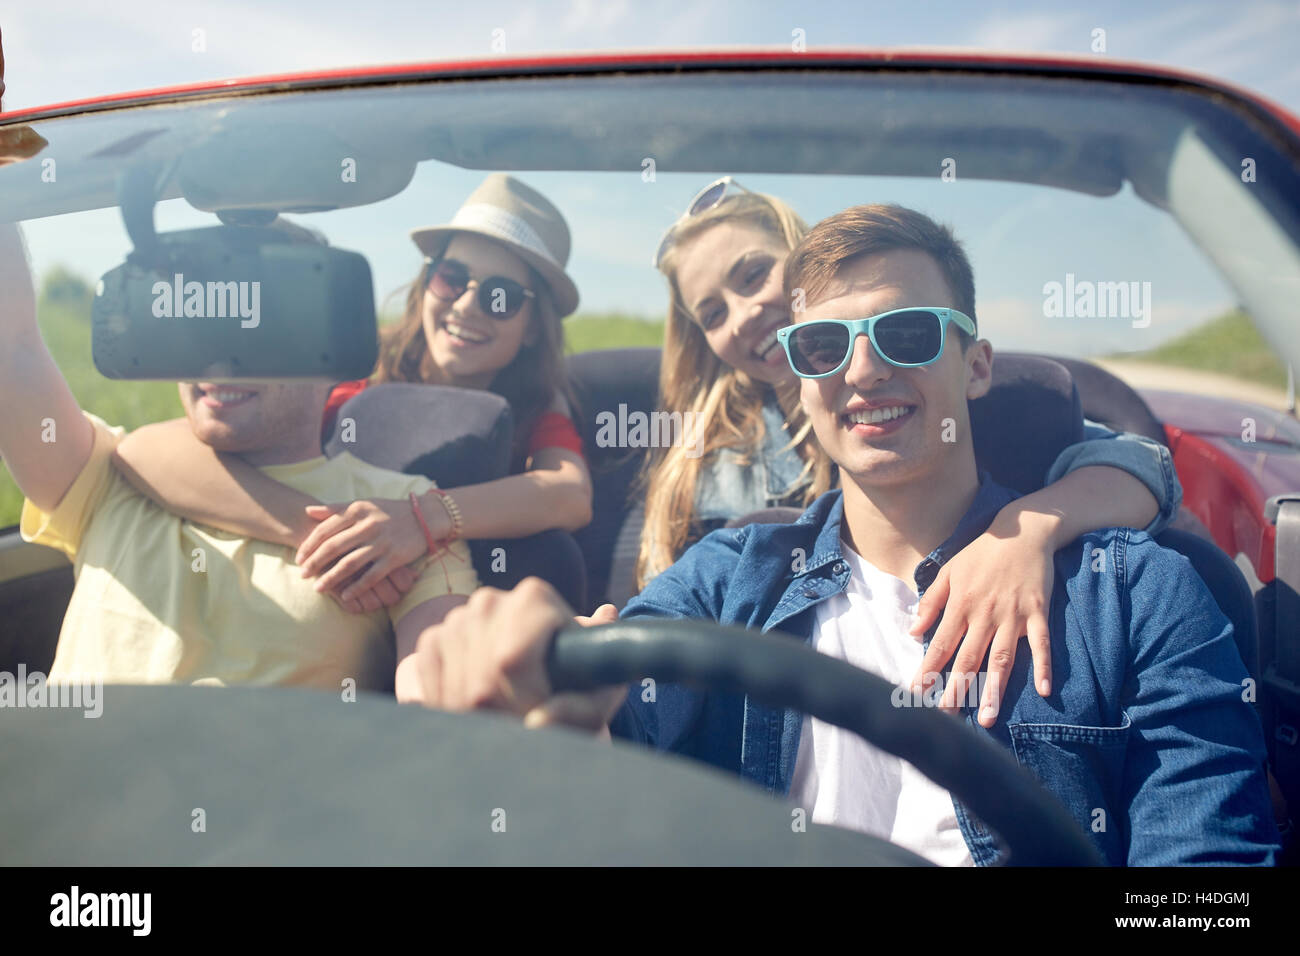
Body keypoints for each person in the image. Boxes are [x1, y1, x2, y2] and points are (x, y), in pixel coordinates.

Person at [413, 203, 1280, 865]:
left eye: (904, 333)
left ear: (976, 364)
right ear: (800, 375)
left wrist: (1029, 531)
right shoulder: (725, 578)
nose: (863, 368)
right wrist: (545, 695)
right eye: (824, 345)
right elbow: (620, 729)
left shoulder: (1138, 595)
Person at [642, 178, 1186, 725]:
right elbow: (673, 635)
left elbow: (1139, 465)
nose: (743, 313)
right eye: (712, 313)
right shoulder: (712, 468)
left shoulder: (975, 408)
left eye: (754, 274)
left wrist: (1023, 530)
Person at [0, 220, 476, 700]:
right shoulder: (104, 471)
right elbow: (10, 342)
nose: (219, 358)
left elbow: (436, 701)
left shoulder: (401, 512)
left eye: (260, 328)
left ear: (334, 350)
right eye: (202, 321)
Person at [110, 174, 591, 613]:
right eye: (451, 278)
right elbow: (150, 451)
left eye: (499, 295)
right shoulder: (350, 359)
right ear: (426, 282)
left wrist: (421, 519)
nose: (466, 305)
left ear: (533, 327)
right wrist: (328, 532)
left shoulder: (539, 402)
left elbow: (568, 493)